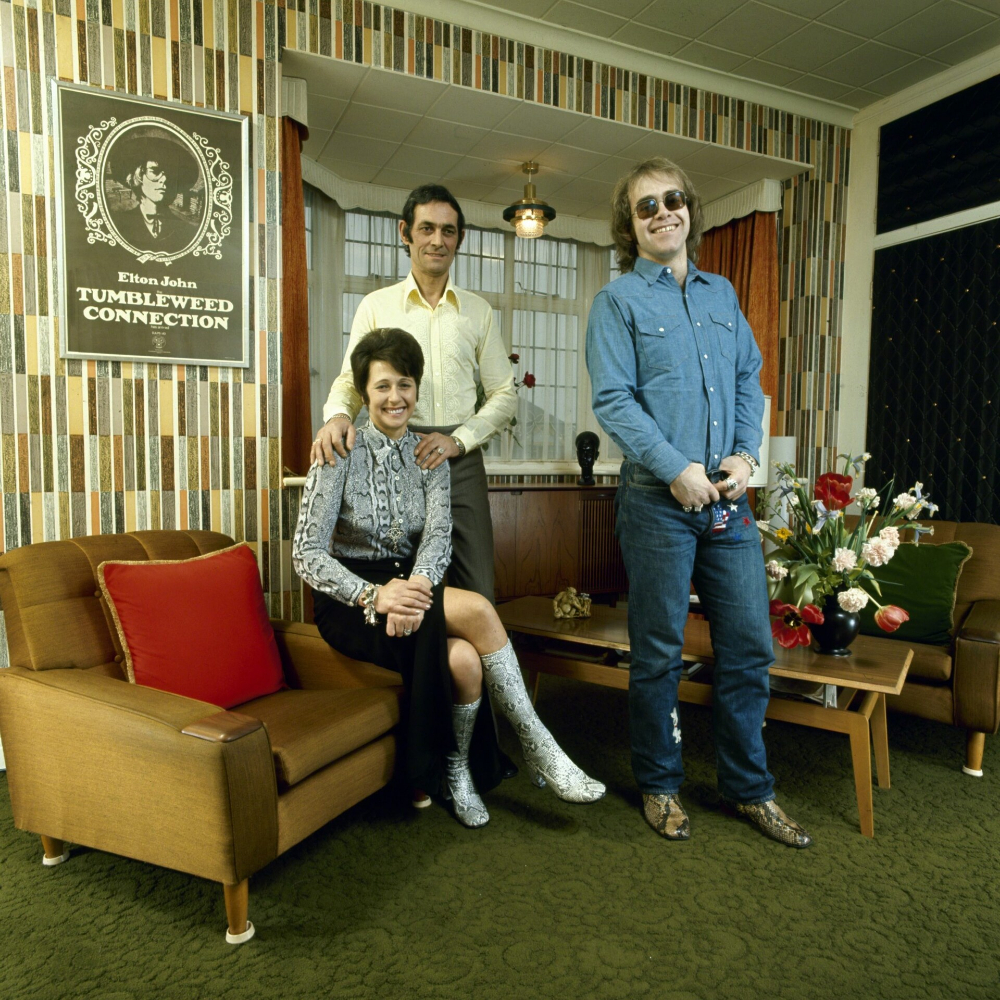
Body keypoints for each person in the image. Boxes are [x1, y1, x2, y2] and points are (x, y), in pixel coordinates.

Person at [585, 156, 812, 848]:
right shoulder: (617, 302)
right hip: (659, 503)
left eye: (672, 200)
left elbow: (751, 380)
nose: (662, 213)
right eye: (646, 206)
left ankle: (749, 790)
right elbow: (613, 401)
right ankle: (660, 785)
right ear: (630, 225)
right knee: (658, 654)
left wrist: (748, 457)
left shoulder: (723, 295)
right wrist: (675, 467)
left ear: (690, 209)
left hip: (729, 507)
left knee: (748, 650)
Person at [293, 328, 604, 829]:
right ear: (364, 392)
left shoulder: (429, 453)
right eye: (382, 386)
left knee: (464, 661)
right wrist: (376, 595)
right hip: (349, 598)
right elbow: (306, 556)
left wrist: (411, 593)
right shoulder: (338, 452)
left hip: (411, 583)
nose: (395, 397)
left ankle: (457, 771)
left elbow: (439, 538)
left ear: (417, 390)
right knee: (479, 609)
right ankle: (538, 744)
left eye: (405, 384)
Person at [311, 184, 516, 607]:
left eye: (448, 231)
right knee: (405, 579)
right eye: (427, 228)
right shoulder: (376, 305)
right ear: (406, 233)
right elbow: (351, 381)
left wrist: (458, 440)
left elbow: (504, 394)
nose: (437, 240)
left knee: (477, 585)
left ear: (459, 238)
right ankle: (421, 667)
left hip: (458, 457)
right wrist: (336, 417)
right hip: (390, 450)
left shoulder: (478, 311)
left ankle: (468, 670)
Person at [110, 136, 197, 253]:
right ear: (138, 176)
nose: (164, 179)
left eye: (169, 173)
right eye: (155, 171)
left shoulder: (185, 231)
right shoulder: (118, 224)